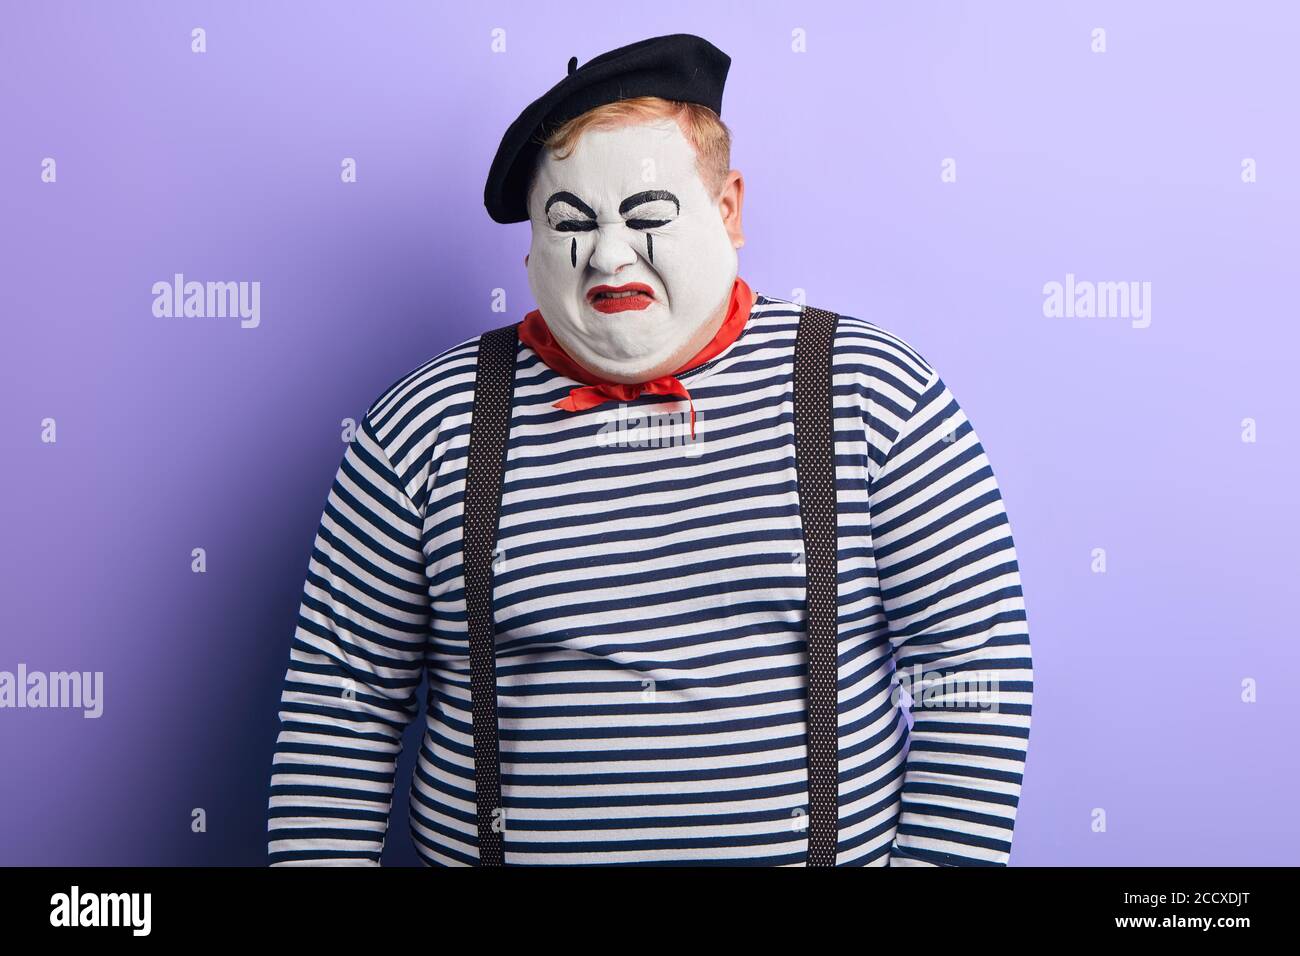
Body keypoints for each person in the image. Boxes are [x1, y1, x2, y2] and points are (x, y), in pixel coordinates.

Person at [267, 33, 1033, 866]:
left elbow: (972, 673)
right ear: (530, 241)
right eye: (571, 222)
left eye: (647, 216)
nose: (608, 254)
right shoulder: (425, 422)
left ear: (729, 210)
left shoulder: (871, 393)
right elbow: (340, 713)